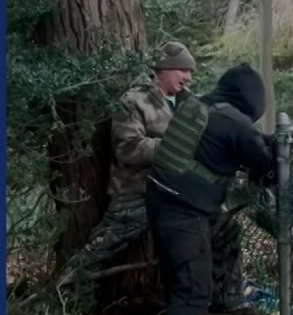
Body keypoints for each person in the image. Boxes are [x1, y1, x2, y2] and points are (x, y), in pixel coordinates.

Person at [143, 63, 282, 315]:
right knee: (192, 288)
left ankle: (223, 302)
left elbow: (231, 141)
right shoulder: (236, 123)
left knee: (225, 234)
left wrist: (265, 142)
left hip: (163, 200)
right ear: (252, 102)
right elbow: (269, 172)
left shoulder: (200, 105)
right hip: (183, 212)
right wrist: (287, 147)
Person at [58, 41, 196, 288]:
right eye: (183, 70)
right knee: (97, 252)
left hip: (175, 194)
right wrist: (178, 147)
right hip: (137, 193)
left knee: (210, 237)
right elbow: (129, 149)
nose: (188, 78)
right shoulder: (135, 101)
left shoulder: (189, 104)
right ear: (163, 69)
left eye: (191, 72)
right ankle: (58, 297)